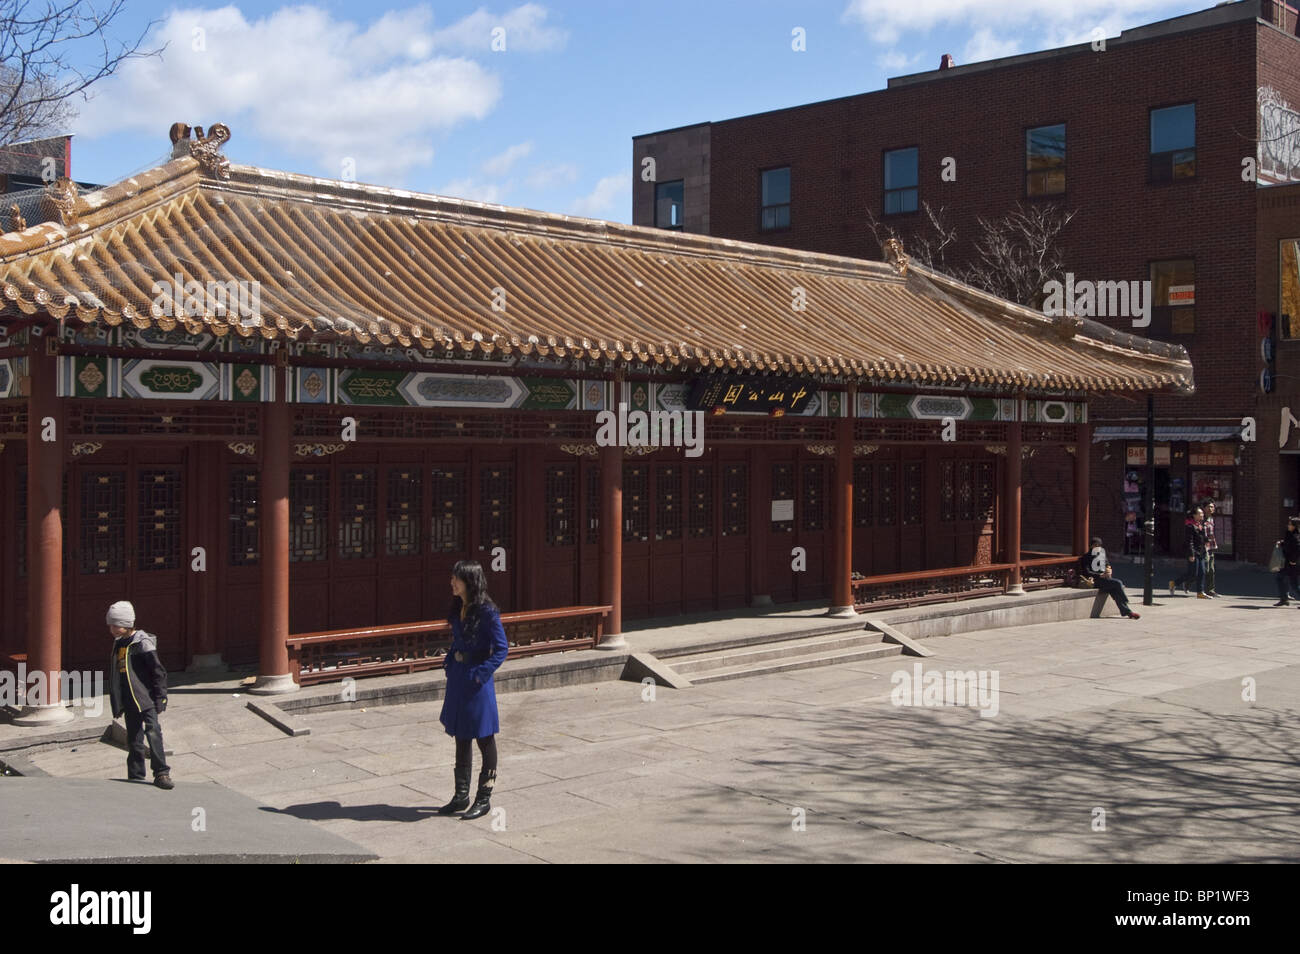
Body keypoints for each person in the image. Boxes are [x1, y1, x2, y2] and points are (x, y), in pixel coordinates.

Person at [437, 560, 508, 820]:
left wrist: (481, 674)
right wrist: (451, 659)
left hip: (477, 681)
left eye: (457, 578)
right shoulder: (459, 608)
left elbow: (502, 648)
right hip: (458, 678)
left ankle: (484, 797)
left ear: (470, 581)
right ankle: (460, 796)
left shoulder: (488, 612)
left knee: (484, 736)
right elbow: (458, 641)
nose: (452, 582)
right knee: (461, 735)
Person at [106, 601, 173, 789]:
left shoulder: (142, 643)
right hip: (129, 701)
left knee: (153, 733)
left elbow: (158, 672)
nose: (112, 629)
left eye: (115, 625)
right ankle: (135, 775)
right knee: (133, 739)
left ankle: (162, 773)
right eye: (110, 625)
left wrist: (161, 697)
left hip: (146, 699)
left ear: (127, 624)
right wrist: (117, 702)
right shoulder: (118, 644)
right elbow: (117, 676)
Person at [1078, 537, 1140, 619]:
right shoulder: (1086, 557)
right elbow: (1086, 572)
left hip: (1106, 579)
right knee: (1118, 583)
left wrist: (1109, 570)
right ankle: (1126, 600)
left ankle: (1129, 613)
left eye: (1099, 545)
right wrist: (1100, 575)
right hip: (1095, 581)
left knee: (1115, 591)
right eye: (1095, 545)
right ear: (1091, 546)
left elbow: (1108, 564)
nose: (1097, 547)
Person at [1169, 507, 1208, 599]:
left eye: (1202, 513)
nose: (1202, 515)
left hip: (1201, 551)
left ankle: (1200, 592)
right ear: (1194, 515)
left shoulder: (1200, 524)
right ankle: (1174, 583)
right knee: (1193, 573)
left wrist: (1207, 540)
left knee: (1202, 572)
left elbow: (1202, 537)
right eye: (1200, 513)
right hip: (1194, 552)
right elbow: (1189, 541)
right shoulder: (1190, 526)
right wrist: (1191, 554)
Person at [1275, 517, 1300, 606]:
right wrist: (1281, 543)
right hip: (1286, 562)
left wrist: (1293, 561)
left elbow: (1297, 549)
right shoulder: (1289, 533)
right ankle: (1284, 599)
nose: (1288, 525)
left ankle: (1284, 599)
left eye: (1290, 524)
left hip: (1292, 564)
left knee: (1294, 584)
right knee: (1280, 578)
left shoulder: (1295, 536)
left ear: (1294, 526)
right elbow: (1288, 543)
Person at [1202, 500, 1220, 598]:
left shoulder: (1211, 519)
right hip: (1204, 547)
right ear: (1204, 508)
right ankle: (1185, 583)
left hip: (1211, 546)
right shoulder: (1202, 519)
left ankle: (1210, 590)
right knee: (1205, 569)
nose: (1211, 509)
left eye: (1212, 507)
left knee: (1211, 570)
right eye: (1208, 507)